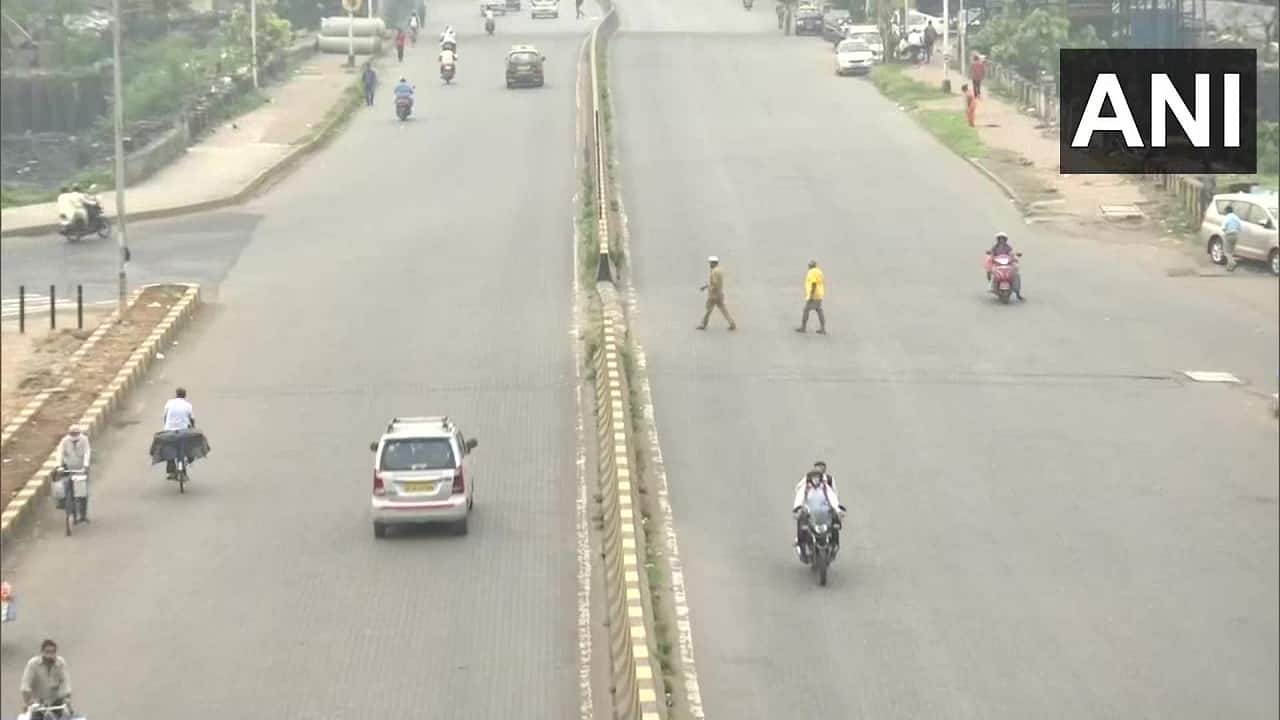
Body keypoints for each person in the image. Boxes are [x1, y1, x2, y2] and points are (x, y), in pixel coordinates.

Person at [793, 470, 845, 560]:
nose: (815, 480)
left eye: (817, 478)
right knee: (802, 524)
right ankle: (801, 546)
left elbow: (833, 498)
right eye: (814, 478)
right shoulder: (805, 488)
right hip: (810, 513)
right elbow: (799, 498)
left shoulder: (825, 488)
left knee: (835, 523)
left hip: (824, 514)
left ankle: (834, 545)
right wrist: (798, 508)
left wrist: (838, 509)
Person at [20, 639, 73, 718]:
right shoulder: (32, 664)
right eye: (47, 652)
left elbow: (66, 682)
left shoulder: (61, 663)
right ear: (42, 652)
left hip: (56, 702)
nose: (50, 655)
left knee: (68, 715)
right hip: (38, 704)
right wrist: (30, 701)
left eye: (53, 652)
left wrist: (67, 697)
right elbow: (25, 687)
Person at [55, 424, 91, 523]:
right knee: (63, 487)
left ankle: (83, 515)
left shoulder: (84, 440)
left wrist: (85, 465)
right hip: (68, 467)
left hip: (80, 468)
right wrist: (59, 466)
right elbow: (59, 453)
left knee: (82, 492)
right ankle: (63, 503)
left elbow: (87, 453)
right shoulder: (65, 441)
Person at [162, 387, 195, 478]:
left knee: (168, 447)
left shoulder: (169, 403)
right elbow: (192, 419)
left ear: (176, 395)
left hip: (169, 430)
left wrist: (166, 427)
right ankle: (188, 459)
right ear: (185, 396)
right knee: (187, 445)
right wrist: (193, 428)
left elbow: (165, 417)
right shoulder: (188, 405)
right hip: (183, 431)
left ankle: (171, 465)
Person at [696, 255, 737, 331]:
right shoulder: (719, 270)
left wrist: (709, 288)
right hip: (720, 294)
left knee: (708, 310)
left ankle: (703, 324)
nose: (710, 265)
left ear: (713, 263)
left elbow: (714, 283)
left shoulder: (714, 271)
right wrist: (706, 286)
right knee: (723, 309)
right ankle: (732, 323)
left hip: (713, 295)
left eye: (710, 263)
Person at [986, 231, 1023, 300]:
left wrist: (1016, 256)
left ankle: (1018, 293)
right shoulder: (995, 247)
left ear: (1005, 240)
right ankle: (990, 285)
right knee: (990, 271)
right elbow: (991, 254)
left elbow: (1012, 253)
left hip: (1007, 264)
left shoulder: (1008, 247)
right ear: (998, 240)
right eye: (1000, 239)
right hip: (997, 264)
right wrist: (990, 255)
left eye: (1003, 239)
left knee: (1016, 274)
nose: (1001, 240)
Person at [795, 259, 826, 334]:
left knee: (806, 310)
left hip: (814, 295)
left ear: (810, 266)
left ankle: (803, 327)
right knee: (819, 310)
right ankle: (822, 328)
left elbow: (814, 284)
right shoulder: (819, 271)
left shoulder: (811, 272)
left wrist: (811, 296)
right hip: (820, 293)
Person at [1221, 205, 1241, 272]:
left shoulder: (1227, 217)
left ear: (1227, 211)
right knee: (1231, 252)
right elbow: (1240, 227)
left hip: (1229, 235)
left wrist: (1225, 231)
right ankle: (1229, 267)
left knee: (1227, 252)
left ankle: (1233, 263)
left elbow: (1223, 227)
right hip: (1236, 235)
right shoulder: (1236, 217)